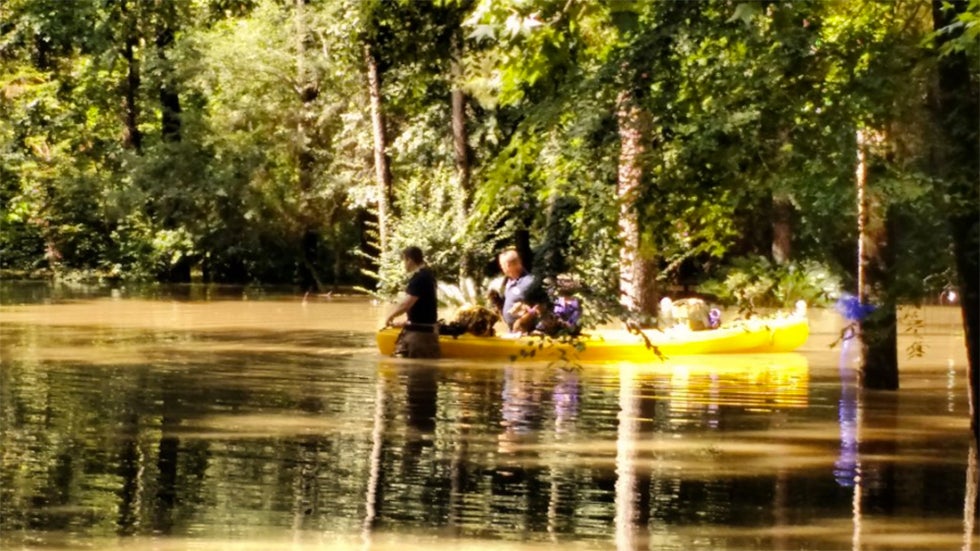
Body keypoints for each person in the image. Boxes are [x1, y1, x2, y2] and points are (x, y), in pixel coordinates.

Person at [385, 246, 440, 358]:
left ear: (409, 260)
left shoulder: (419, 278)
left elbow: (406, 304)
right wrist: (406, 322)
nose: (403, 264)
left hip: (420, 337)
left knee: (413, 373)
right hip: (427, 332)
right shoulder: (428, 275)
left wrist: (390, 316)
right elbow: (424, 308)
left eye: (404, 260)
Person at [487, 249, 538, 333]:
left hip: (528, 332)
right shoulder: (508, 281)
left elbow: (541, 305)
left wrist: (523, 320)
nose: (501, 268)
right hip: (512, 331)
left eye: (502, 265)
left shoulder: (529, 282)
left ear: (509, 265)